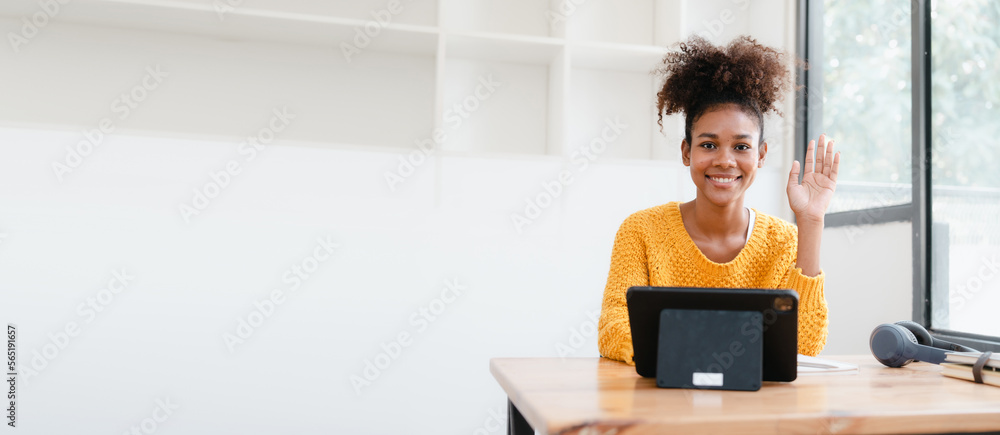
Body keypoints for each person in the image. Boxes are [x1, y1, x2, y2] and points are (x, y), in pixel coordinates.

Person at [597, 35, 840, 364]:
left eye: (741, 147)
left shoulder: (784, 241)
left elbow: (805, 344)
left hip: (754, 409)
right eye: (709, 145)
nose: (725, 160)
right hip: (664, 403)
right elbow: (615, 330)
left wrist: (811, 221)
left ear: (761, 155)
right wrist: (724, 351)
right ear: (687, 151)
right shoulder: (642, 231)